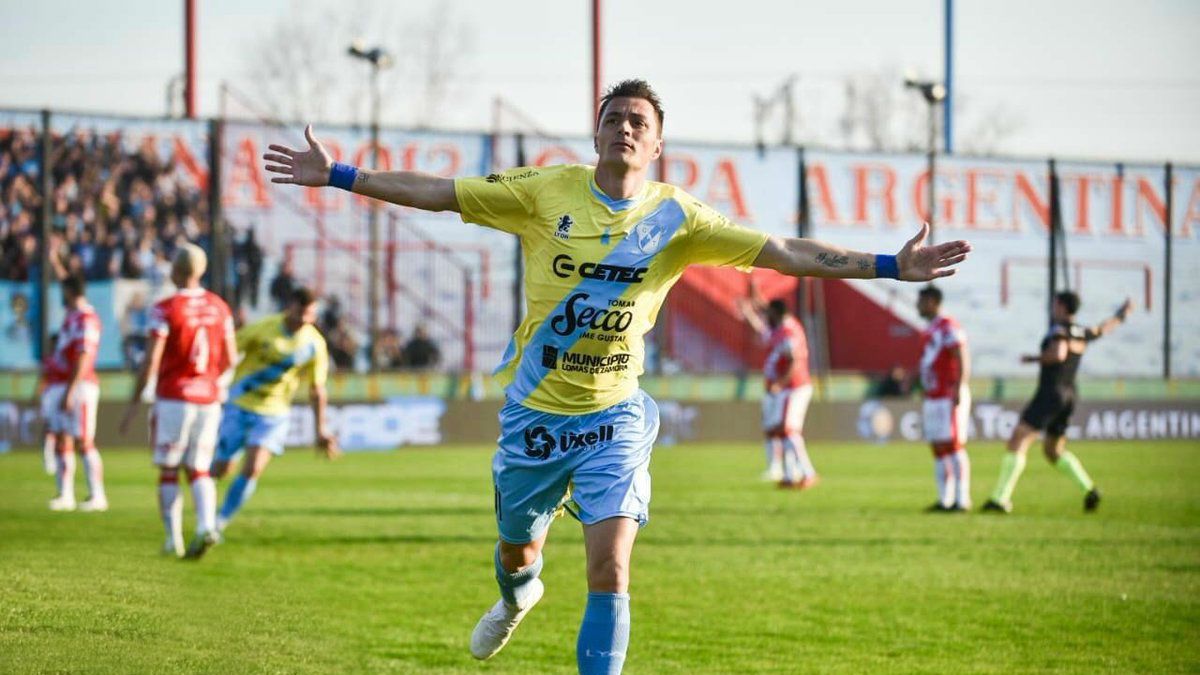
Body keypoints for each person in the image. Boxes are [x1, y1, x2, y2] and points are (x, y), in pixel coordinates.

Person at [262, 78, 970, 674]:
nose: (625, 128)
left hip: (615, 418)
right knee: (517, 551)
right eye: (614, 119)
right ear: (595, 134)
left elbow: (784, 251)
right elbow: (440, 192)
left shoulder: (677, 218)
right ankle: (516, 596)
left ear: (657, 144)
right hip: (536, 415)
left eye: (639, 122)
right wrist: (343, 175)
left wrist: (889, 265)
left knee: (611, 568)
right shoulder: (544, 190)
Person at [119, 244, 237, 559]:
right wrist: (213, 383)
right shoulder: (219, 307)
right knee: (199, 468)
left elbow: (151, 361)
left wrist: (134, 402)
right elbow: (230, 358)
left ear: (175, 271)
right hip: (208, 399)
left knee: (169, 469)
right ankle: (206, 526)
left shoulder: (165, 309)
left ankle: (174, 540)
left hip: (174, 398)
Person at [983, 292, 1132, 514]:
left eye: (1054, 304)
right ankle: (1089, 489)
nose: (1052, 308)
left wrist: (1034, 358)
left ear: (1061, 306)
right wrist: (1121, 315)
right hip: (1069, 395)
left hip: (1050, 393)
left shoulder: (1059, 330)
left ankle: (999, 499)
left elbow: (1059, 354)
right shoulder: (1081, 332)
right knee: (1053, 450)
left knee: (1018, 439)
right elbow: (1102, 329)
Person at [210, 286, 339, 535]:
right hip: (240, 404)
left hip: (274, 413)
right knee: (222, 469)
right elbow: (227, 351)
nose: (305, 319)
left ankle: (218, 524)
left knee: (253, 468)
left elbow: (317, 389)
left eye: (310, 315)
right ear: (289, 307)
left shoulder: (314, 343)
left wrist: (321, 429)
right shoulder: (263, 328)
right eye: (301, 313)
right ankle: (202, 502)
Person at [737, 282, 816, 488]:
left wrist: (780, 384)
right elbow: (764, 309)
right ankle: (790, 475)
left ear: (777, 314)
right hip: (786, 387)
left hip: (794, 386)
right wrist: (754, 290)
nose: (766, 316)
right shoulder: (780, 327)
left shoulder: (788, 332)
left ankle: (808, 473)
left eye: (769, 314)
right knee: (780, 431)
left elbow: (794, 361)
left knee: (788, 430)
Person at [44, 276, 107, 512]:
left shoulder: (86, 319)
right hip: (66, 384)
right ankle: (65, 495)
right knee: (63, 438)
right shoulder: (72, 316)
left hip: (81, 386)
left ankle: (97, 496)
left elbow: (84, 355)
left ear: (70, 291)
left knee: (84, 441)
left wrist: (71, 390)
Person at [915, 285, 972, 512]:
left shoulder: (949, 325)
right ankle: (945, 500)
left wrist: (959, 386)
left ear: (932, 301)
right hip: (933, 395)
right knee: (938, 447)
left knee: (954, 445)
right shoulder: (930, 329)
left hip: (949, 393)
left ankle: (962, 499)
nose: (918, 306)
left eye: (921, 302)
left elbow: (961, 355)